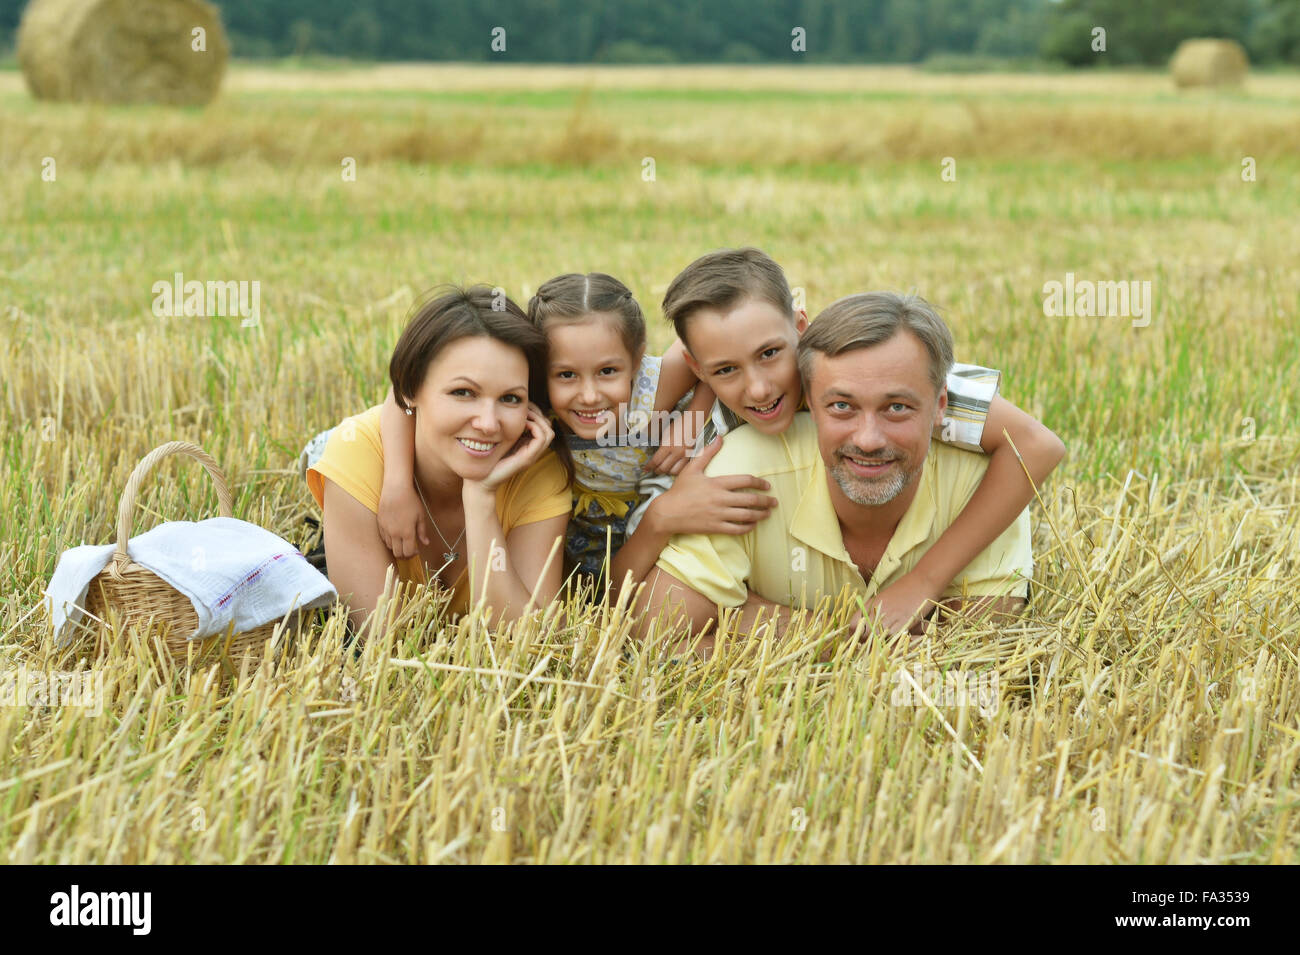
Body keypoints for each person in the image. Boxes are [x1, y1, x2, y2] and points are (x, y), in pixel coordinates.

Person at [615, 248, 1065, 634]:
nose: (758, 389)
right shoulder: (698, 442)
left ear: (802, 329)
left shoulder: (867, 370)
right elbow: (621, 606)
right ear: (700, 370)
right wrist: (662, 516)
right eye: (725, 370)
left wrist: (923, 582)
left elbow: (1036, 445)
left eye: (771, 354)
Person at [374, 272, 713, 595]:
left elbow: (715, 349)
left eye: (607, 371)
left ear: (637, 360)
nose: (590, 395)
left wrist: (692, 418)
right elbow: (399, 393)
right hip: (573, 550)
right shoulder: (533, 399)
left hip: (652, 541)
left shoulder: (653, 393)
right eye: (566, 374)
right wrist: (397, 484)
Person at [304, 286, 571, 637]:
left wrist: (480, 501)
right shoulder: (357, 456)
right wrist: (396, 480)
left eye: (510, 398)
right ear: (411, 391)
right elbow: (383, 639)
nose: (489, 423)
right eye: (463, 393)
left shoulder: (537, 471)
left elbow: (527, 639)